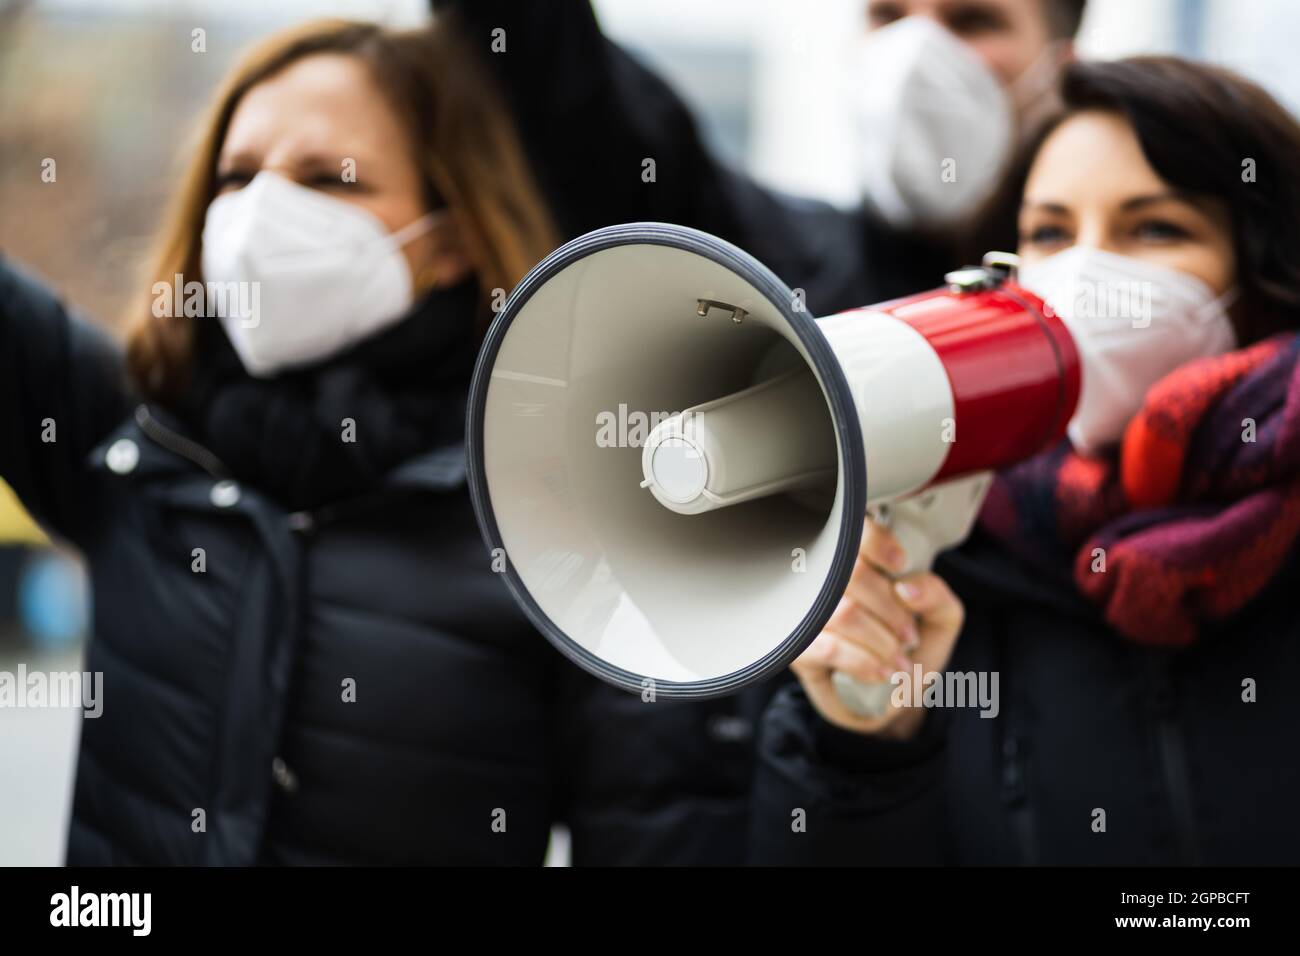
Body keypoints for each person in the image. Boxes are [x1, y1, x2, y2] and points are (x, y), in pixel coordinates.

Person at [1, 17, 759, 865]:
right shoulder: (136, 434)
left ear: (451, 242)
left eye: (328, 178)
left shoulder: (563, 532)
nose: (260, 212)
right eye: (236, 175)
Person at [750, 56, 1300, 865]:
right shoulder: (944, 562)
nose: (1084, 273)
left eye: (1155, 228)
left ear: (1259, 273)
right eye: (1048, 232)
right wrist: (868, 748)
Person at [432, 0, 1087, 312]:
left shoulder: (1107, 293)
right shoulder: (769, 264)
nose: (916, 52)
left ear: (1059, 71)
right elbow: (563, 79)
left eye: (972, 21)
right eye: (887, 17)